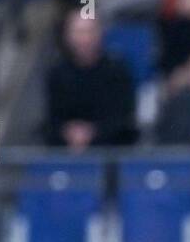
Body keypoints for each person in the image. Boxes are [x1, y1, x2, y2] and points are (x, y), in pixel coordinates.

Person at [45, 14, 137, 149]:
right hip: (66, 149)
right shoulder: (57, 74)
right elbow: (53, 118)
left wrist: (93, 132)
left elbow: (124, 117)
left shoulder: (117, 71)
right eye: (79, 32)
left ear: (100, 34)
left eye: (89, 32)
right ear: (67, 37)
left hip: (112, 149)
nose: (85, 39)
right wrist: (69, 132)